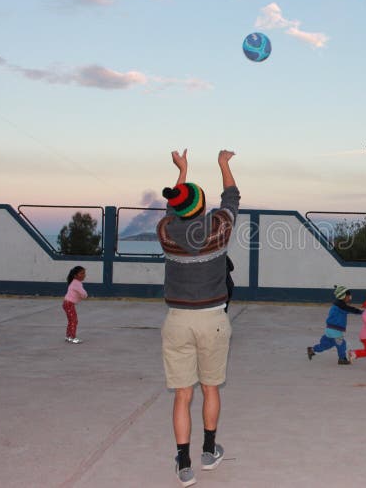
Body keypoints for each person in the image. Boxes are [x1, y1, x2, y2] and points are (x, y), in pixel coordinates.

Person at [157, 148, 240, 487]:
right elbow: (231, 197)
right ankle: (208, 452)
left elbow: (171, 208)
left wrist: (182, 170)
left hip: (177, 321)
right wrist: (223, 163)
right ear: (204, 207)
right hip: (212, 320)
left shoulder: (165, 232)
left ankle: (183, 464)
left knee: (182, 395)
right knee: (210, 388)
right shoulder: (219, 229)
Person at [307, 285, 363, 365]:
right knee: (341, 344)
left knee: (326, 345)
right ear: (343, 296)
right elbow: (352, 310)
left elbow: (349, 309)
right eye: (348, 296)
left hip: (329, 329)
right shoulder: (341, 306)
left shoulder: (338, 305)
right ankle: (342, 359)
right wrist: (362, 312)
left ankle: (312, 349)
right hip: (335, 329)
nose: (350, 297)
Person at [62, 265, 87, 344]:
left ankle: (68, 336)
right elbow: (83, 293)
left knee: (71, 320)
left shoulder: (74, 282)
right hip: (69, 304)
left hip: (67, 303)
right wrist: (85, 296)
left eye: (84, 273)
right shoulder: (76, 283)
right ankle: (72, 337)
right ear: (75, 275)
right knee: (74, 320)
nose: (84, 275)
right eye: (82, 273)